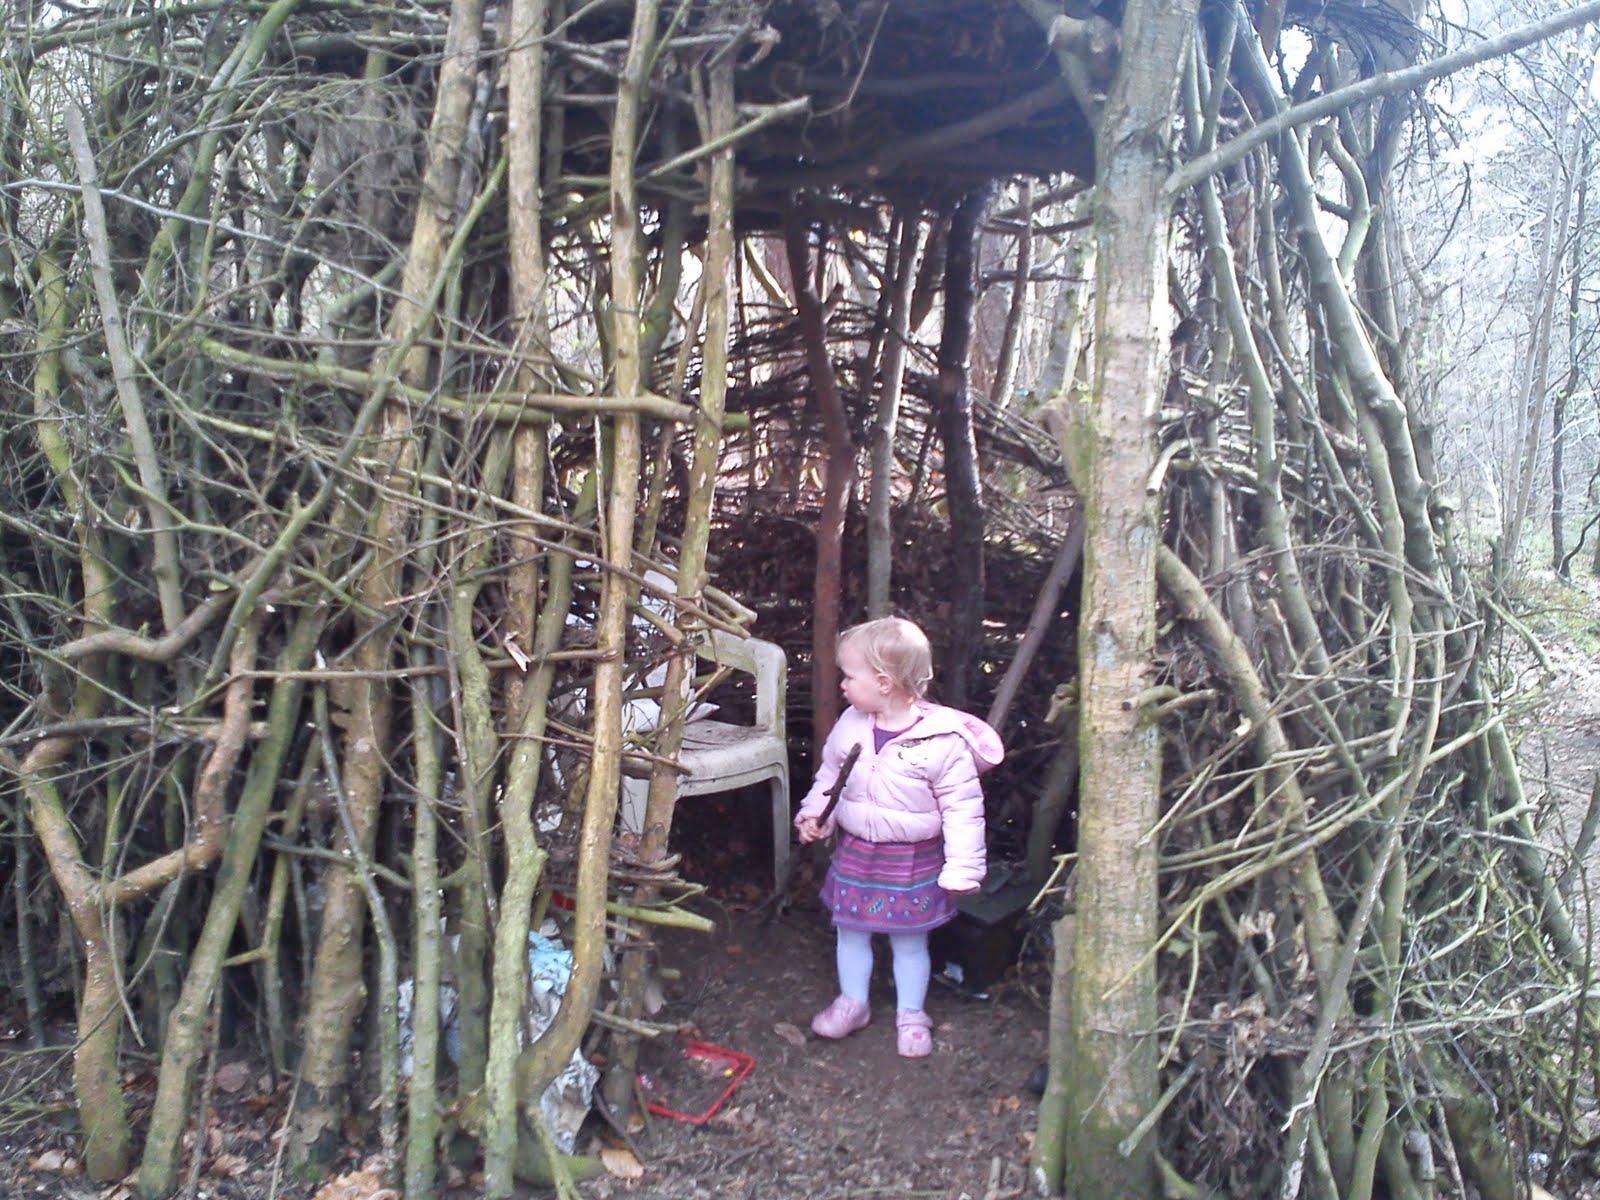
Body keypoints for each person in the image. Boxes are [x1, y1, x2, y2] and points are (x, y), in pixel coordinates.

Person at [794, 616, 1004, 1058]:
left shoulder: (941, 743)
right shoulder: (852, 723)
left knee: (909, 940)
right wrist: (816, 814)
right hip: (857, 852)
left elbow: (963, 810)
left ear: (884, 682)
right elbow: (831, 774)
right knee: (850, 930)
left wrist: (964, 868)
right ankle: (854, 1002)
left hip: (913, 858)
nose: (844, 686)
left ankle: (912, 1013)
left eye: (850, 677)